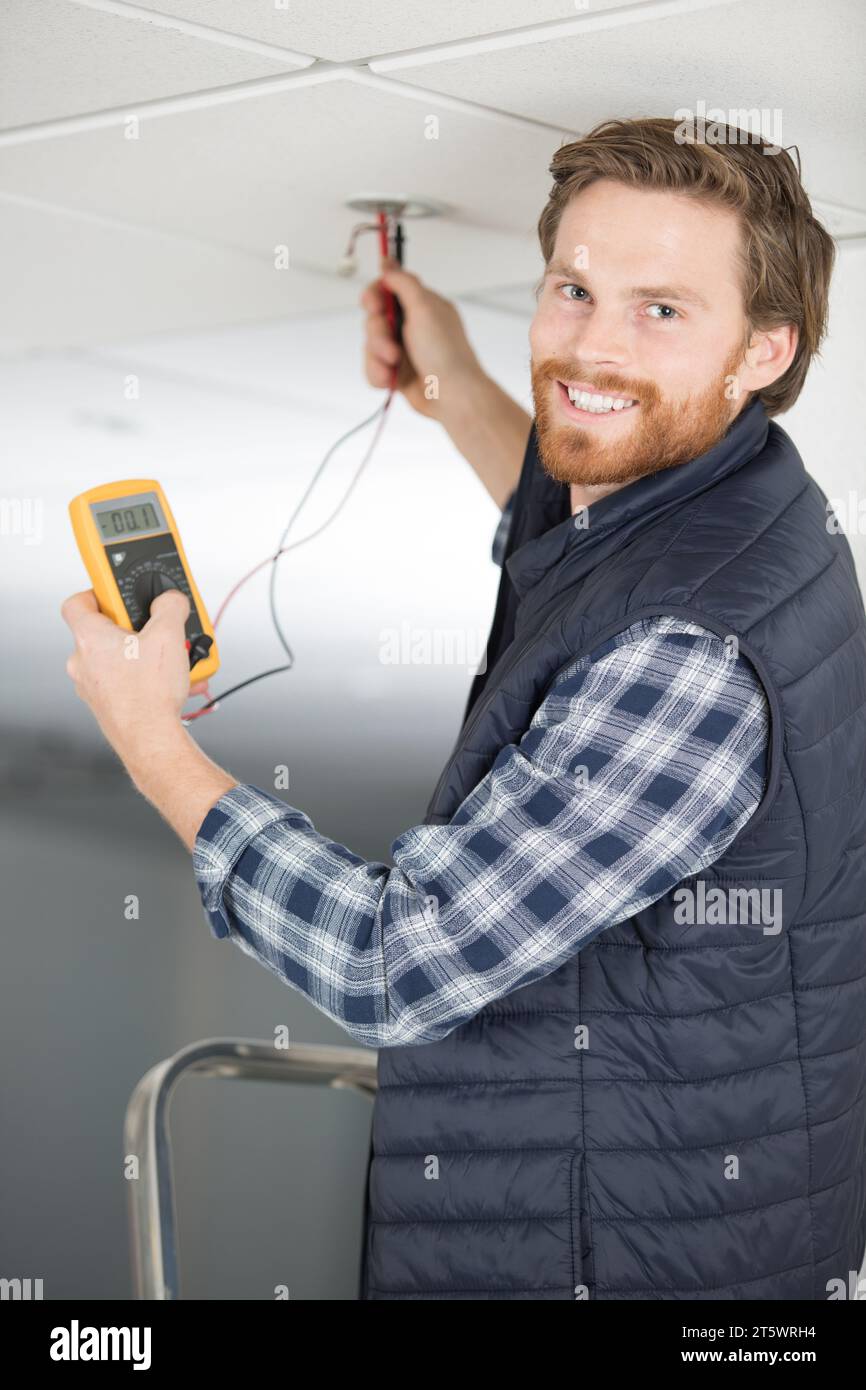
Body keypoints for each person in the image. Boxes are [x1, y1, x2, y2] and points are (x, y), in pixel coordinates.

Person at [62, 117, 866, 1301]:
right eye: (571, 290)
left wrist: (149, 742)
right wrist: (450, 386)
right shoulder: (733, 501)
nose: (591, 346)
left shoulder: (687, 657)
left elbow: (393, 963)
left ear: (761, 349)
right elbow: (586, 529)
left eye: (659, 310)